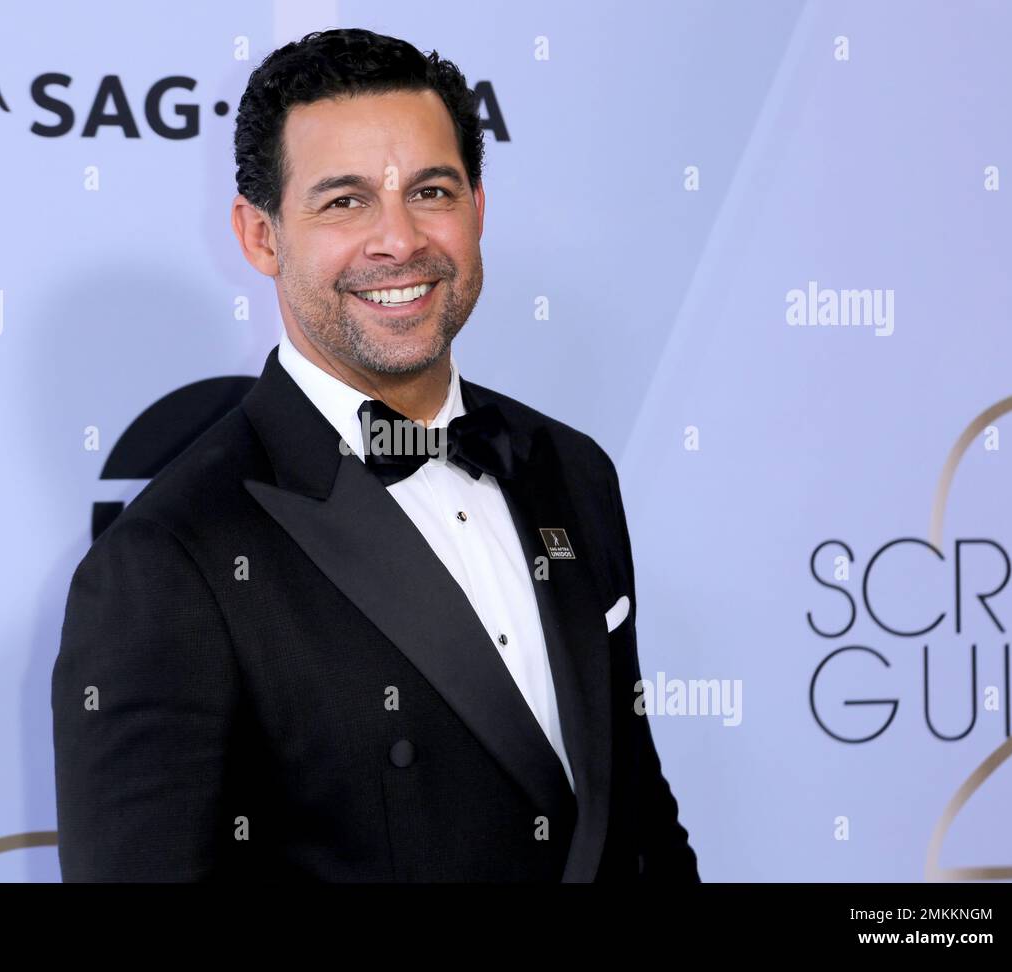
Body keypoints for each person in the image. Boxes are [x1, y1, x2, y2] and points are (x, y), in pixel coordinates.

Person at [51, 27, 699, 882]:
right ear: (260, 236)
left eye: (431, 191)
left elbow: (638, 824)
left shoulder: (569, 468)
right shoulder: (168, 564)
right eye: (344, 202)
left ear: (477, 207)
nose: (399, 241)